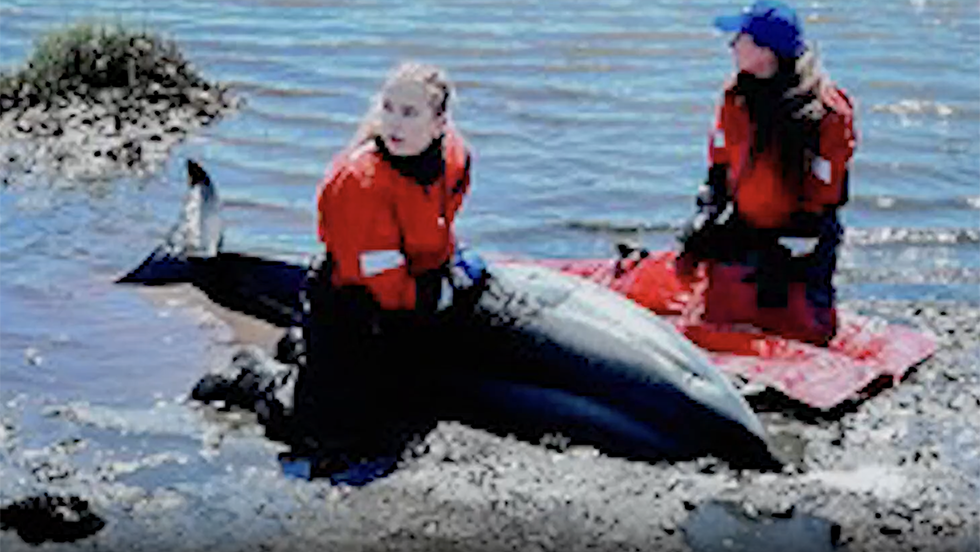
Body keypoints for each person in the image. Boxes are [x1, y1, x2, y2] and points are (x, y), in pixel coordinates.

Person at [290, 61, 486, 463]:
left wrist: (448, 261)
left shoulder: (455, 156)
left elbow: (441, 214)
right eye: (388, 108)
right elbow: (386, 285)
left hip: (410, 281)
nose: (393, 123)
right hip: (353, 300)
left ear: (439, 124)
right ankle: (253, 375)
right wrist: (439, 292)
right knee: (326, 435)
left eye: (409, 112)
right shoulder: (360, 185)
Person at [675, 0, 857, 346]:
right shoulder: (735, 96)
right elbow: (720, 163)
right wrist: (706, 215)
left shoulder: (826, 112)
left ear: (765, 51)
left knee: (801, 328)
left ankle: (799, 294)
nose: (731, 46)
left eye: (739, 38)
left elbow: (828, 193)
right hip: (750, 221)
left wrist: (790, 249)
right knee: (710, 302)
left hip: (802, 234)